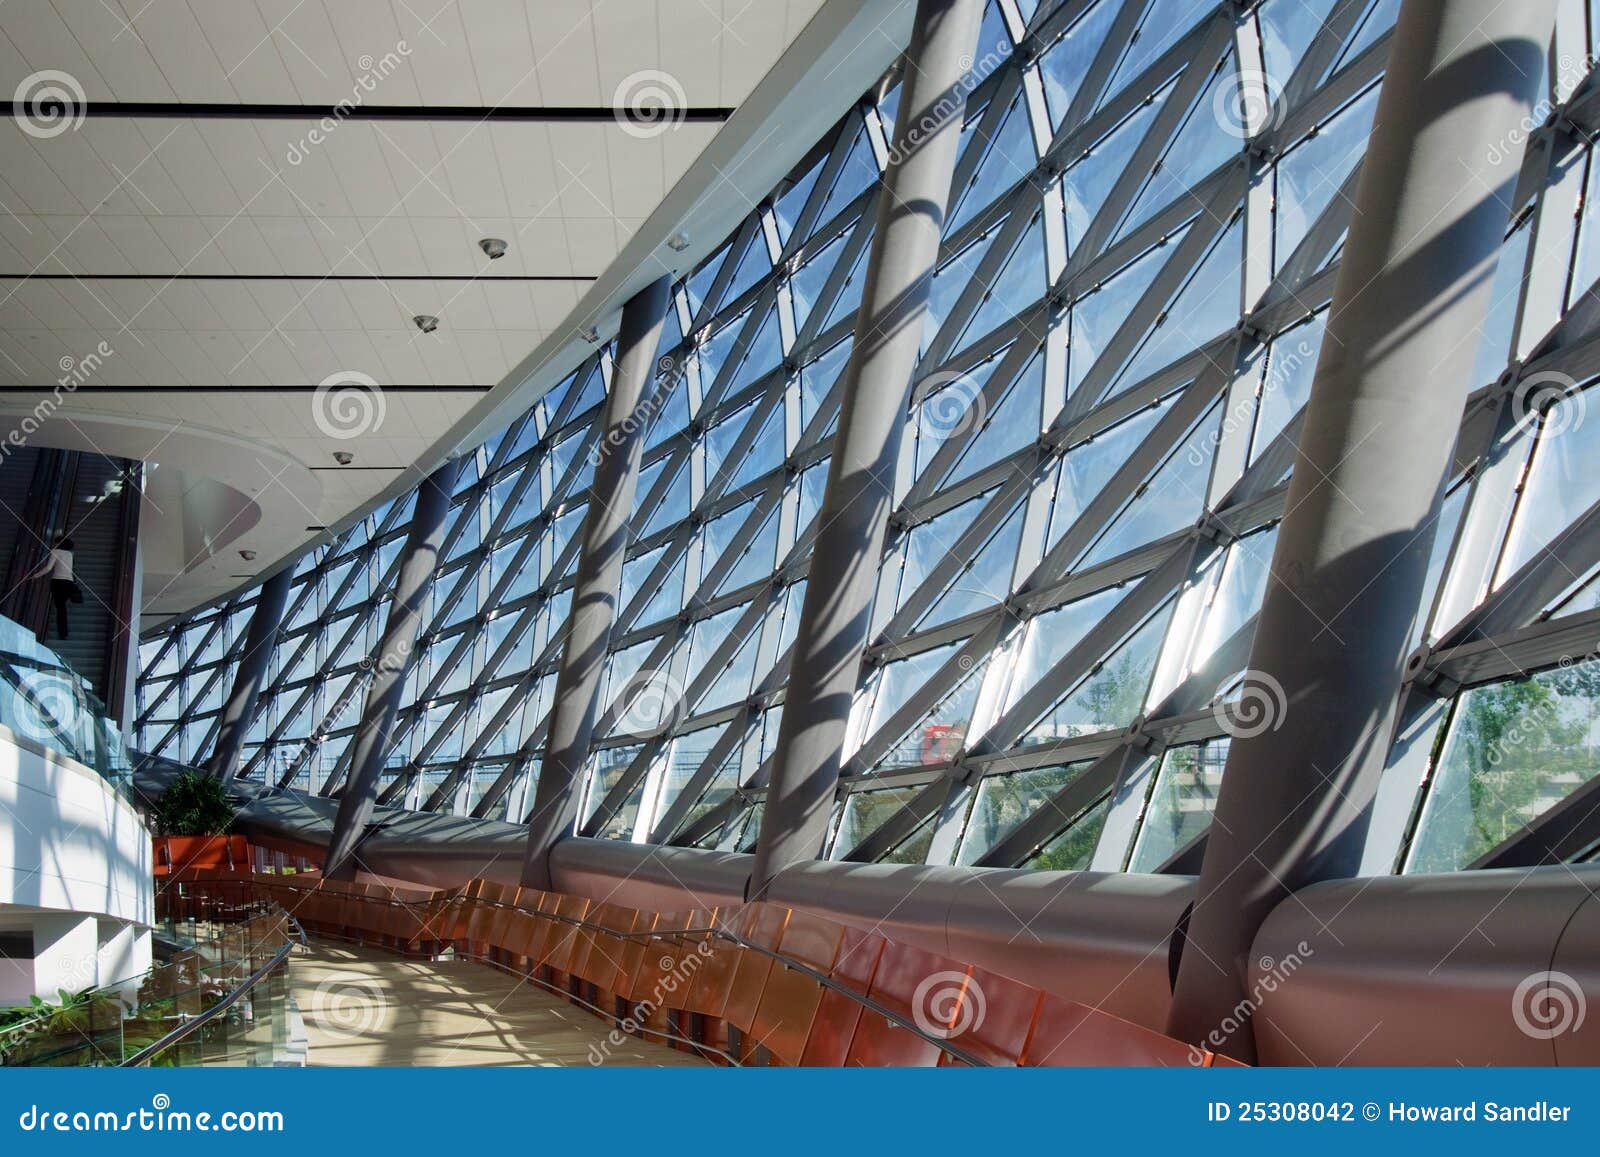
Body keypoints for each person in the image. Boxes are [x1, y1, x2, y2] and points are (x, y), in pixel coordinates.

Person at [26, 535, 79, 640]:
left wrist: (35, 576)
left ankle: (63, 633)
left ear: (59, 543)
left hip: (58, 582)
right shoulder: (70, 554)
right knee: (62, 608)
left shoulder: (55, 552)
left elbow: (48, 568)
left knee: (60, 608)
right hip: (69, 583)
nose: (54, 545)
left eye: (55, 543)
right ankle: (63, 633)